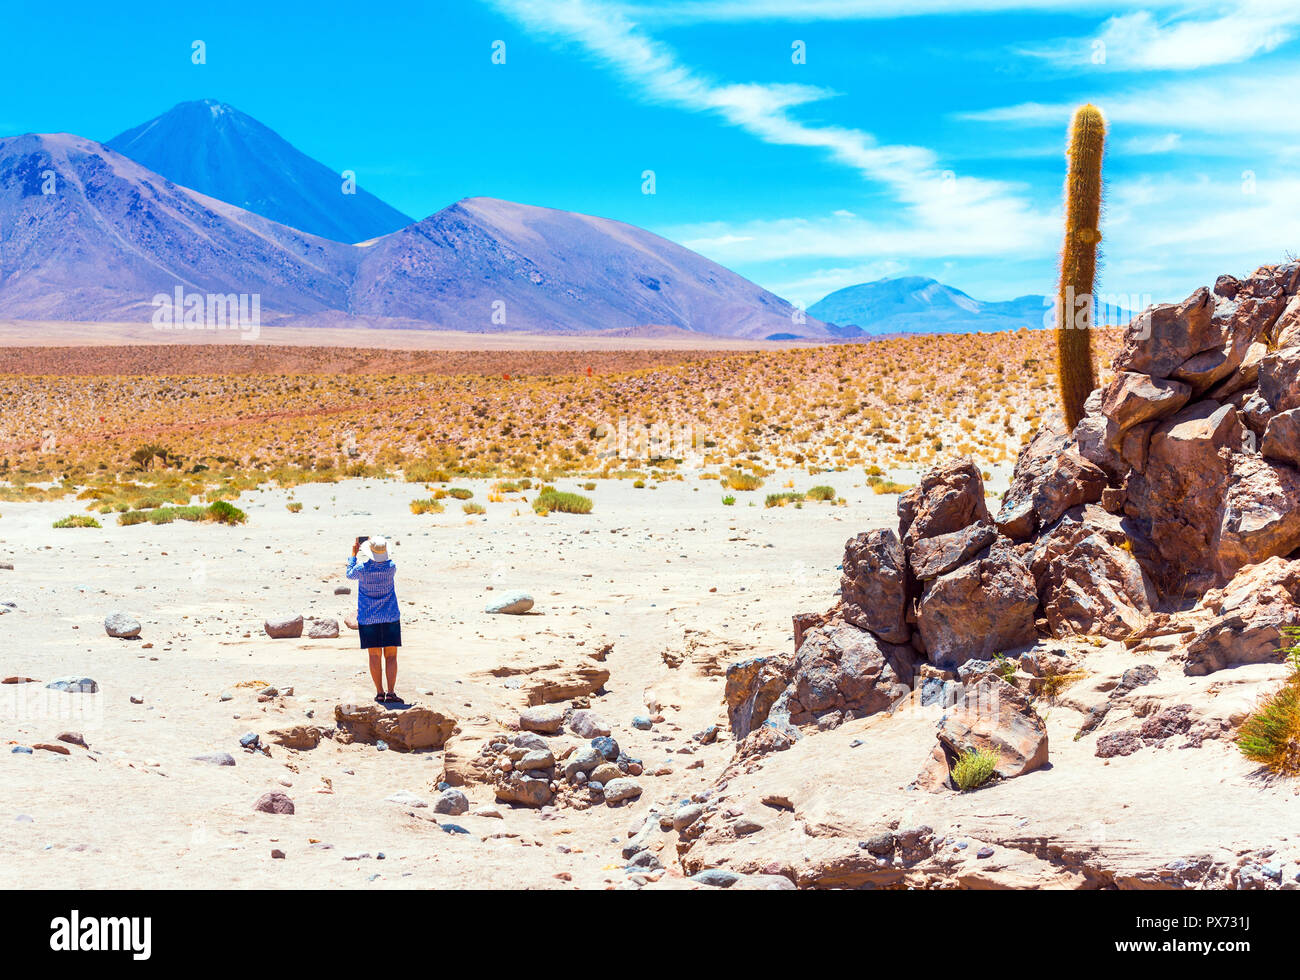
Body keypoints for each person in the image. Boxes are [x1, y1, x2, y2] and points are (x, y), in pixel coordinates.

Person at [346, 535, 402, 703]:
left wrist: (353, 554)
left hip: (368, 618)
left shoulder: (361, 570)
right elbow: (384, 561)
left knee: (374, 656)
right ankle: (391, 692)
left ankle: (379, 692)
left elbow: (349, 574)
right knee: (391, 656)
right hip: (390, 616)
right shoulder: (391, 567)